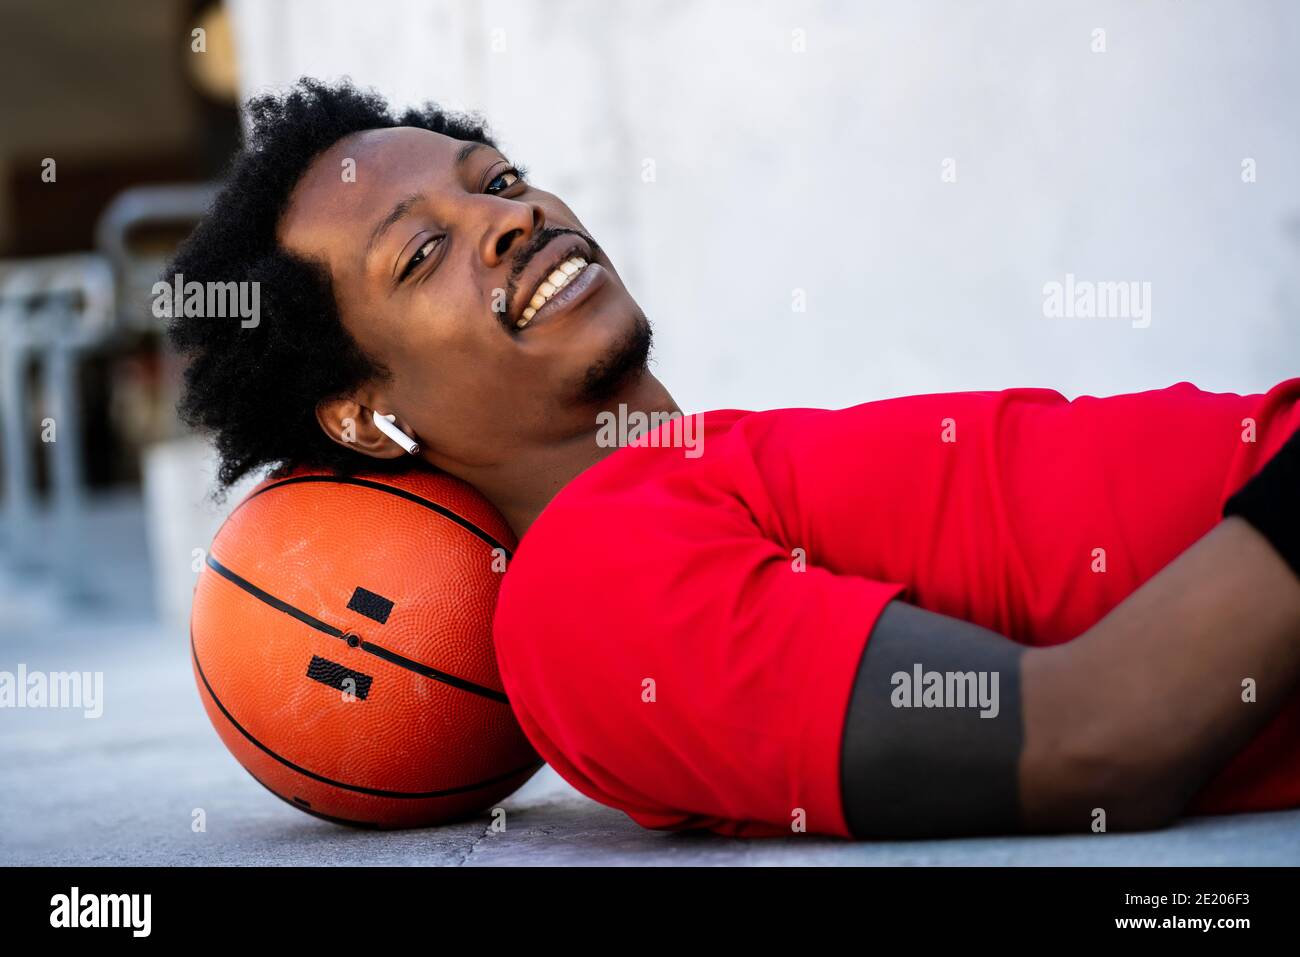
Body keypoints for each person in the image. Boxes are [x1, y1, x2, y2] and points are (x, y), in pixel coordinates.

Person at [166, 78, 1300, 840]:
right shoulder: (581, 595)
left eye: (497, 181)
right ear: (361, 412)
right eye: (422, 254)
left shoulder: (692, 478)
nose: (510, 220)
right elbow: (1096, 739)